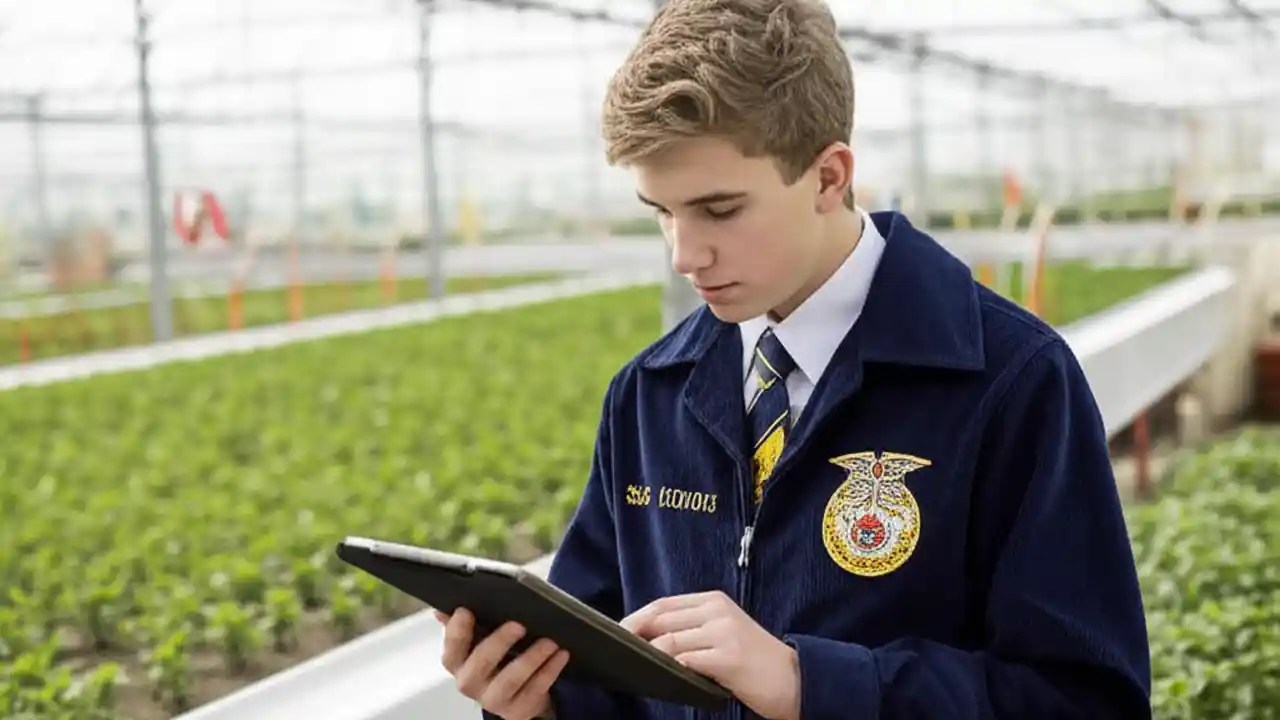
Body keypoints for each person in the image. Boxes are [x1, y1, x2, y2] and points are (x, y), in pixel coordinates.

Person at [434, 0, 1152, 718]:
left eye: (719, 210)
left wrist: (808, 684)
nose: (684, 254)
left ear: (828, 177)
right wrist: (540, 703)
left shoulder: (1012, 382)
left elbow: (1087, 701)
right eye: (660, 212)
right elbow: (612, 680)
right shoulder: (648, 396)